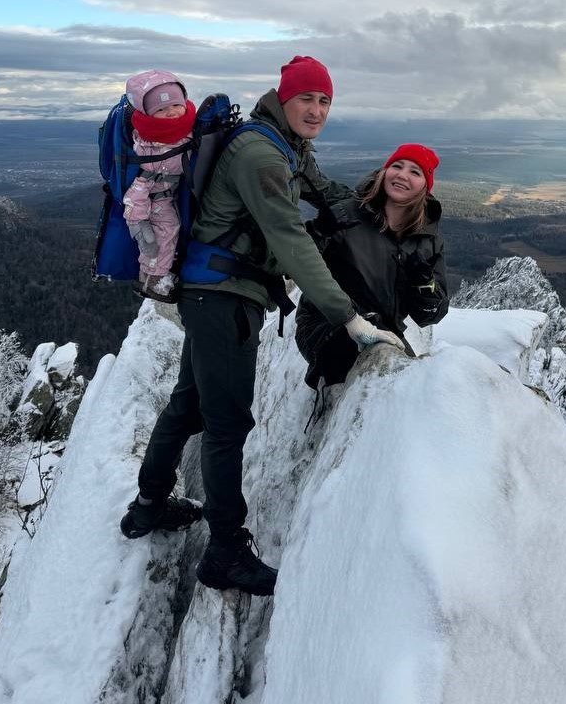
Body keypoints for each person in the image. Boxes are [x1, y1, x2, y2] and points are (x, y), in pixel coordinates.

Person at [119, 56, 403, 596]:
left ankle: (148, 505)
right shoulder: (260, 153)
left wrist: (378, 206)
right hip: (224, 300)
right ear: (284, 97)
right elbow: (290, 239)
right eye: (307, 99)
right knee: (226, 426)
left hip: (213, 294)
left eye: (324, 101)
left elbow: (322, 192)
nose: (316, 110)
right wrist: (350, 318)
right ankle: (224, 552)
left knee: (190, 404)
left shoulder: (284, 144)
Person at [295, 143, 449, 394]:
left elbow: (431, 315)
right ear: (384, 172)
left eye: (415, 172)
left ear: (425, 187)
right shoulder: (346, 214)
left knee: (414, 388)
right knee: (376, 373)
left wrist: (425, 285)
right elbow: (296, 258)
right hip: (327, 324)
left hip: (385, 329)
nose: (402, 175)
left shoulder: (428, 242)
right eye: (396, 166)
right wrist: (320, 231)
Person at [122, 70, 196, 302]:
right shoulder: (149, 144)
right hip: (154, 200)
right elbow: (139, 184)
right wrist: (137, 219)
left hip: (170, 193)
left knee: (171, 232)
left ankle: (159, 271)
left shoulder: (184, 132)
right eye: (161, 110)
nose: (171, 112)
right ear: (149, 115)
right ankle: (153, 280)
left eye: (175, 105)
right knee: (162, 236)